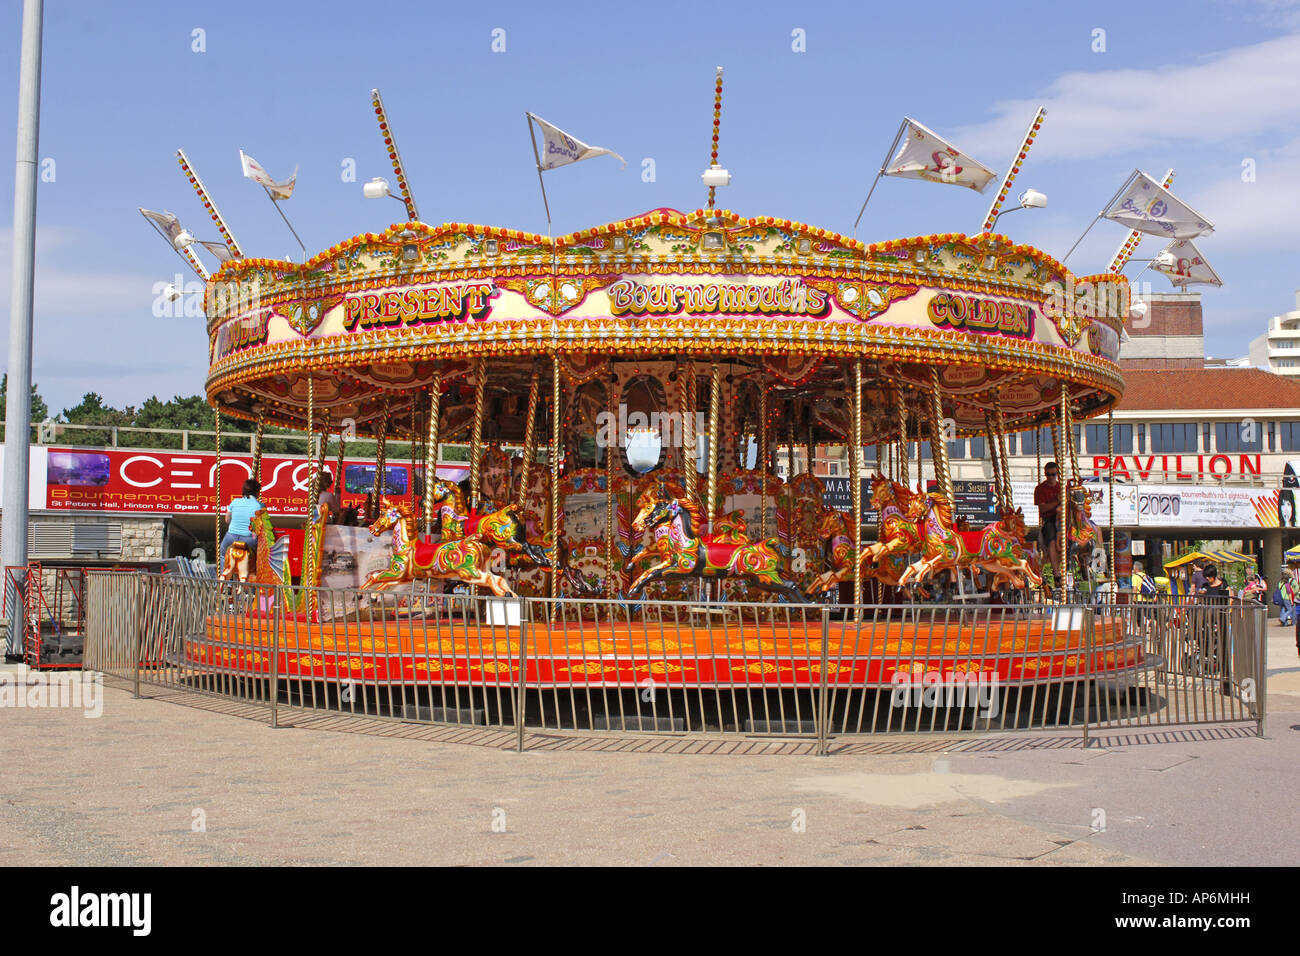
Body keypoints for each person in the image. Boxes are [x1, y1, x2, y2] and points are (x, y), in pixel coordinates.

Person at [221, 478, 264, 567]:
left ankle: (223, 578)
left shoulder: (235, 502)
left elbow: (227, 520)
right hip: (249, 539)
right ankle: (254, 573)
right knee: (258, 557)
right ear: (257, 492)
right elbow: (260, 526)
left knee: (222, 555)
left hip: (231, 537)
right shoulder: (260, 506)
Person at [1034, 463, 1061, 578]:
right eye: (1048, 474)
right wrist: (1057, 501)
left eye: (1053, 474)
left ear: (1057, 474)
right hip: (1049, 519)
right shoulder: (1040, 489)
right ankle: (1056, 572)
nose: (1050, 477)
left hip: (1062, 518)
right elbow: (1042, 508)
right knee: (1052, 539)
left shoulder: (1062, 487)